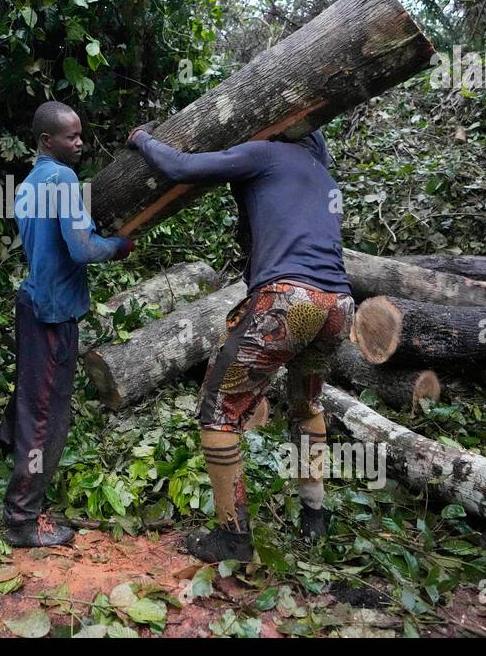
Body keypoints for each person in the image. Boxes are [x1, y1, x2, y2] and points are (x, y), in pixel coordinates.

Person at [128, 126, 353, 558]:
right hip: (340, 305)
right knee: (307, 406)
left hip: (290, 301)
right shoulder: (324, 176)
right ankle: (315, 518)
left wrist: (142, 138)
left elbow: (180, 167)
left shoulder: (266, 153)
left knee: (219, 410)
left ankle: (233, 538)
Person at [0, 101, 133, 547]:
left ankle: (4, 443)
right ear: (45, 141)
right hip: (54, 313)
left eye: (80, 134)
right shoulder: (63, 178)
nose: (80, 143)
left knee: (30, 393)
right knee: (45, 415)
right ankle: (22, 517)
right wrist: (118, 245)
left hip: (33, 301)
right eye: (71, 136)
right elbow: (81, 249)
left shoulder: (27, 185)